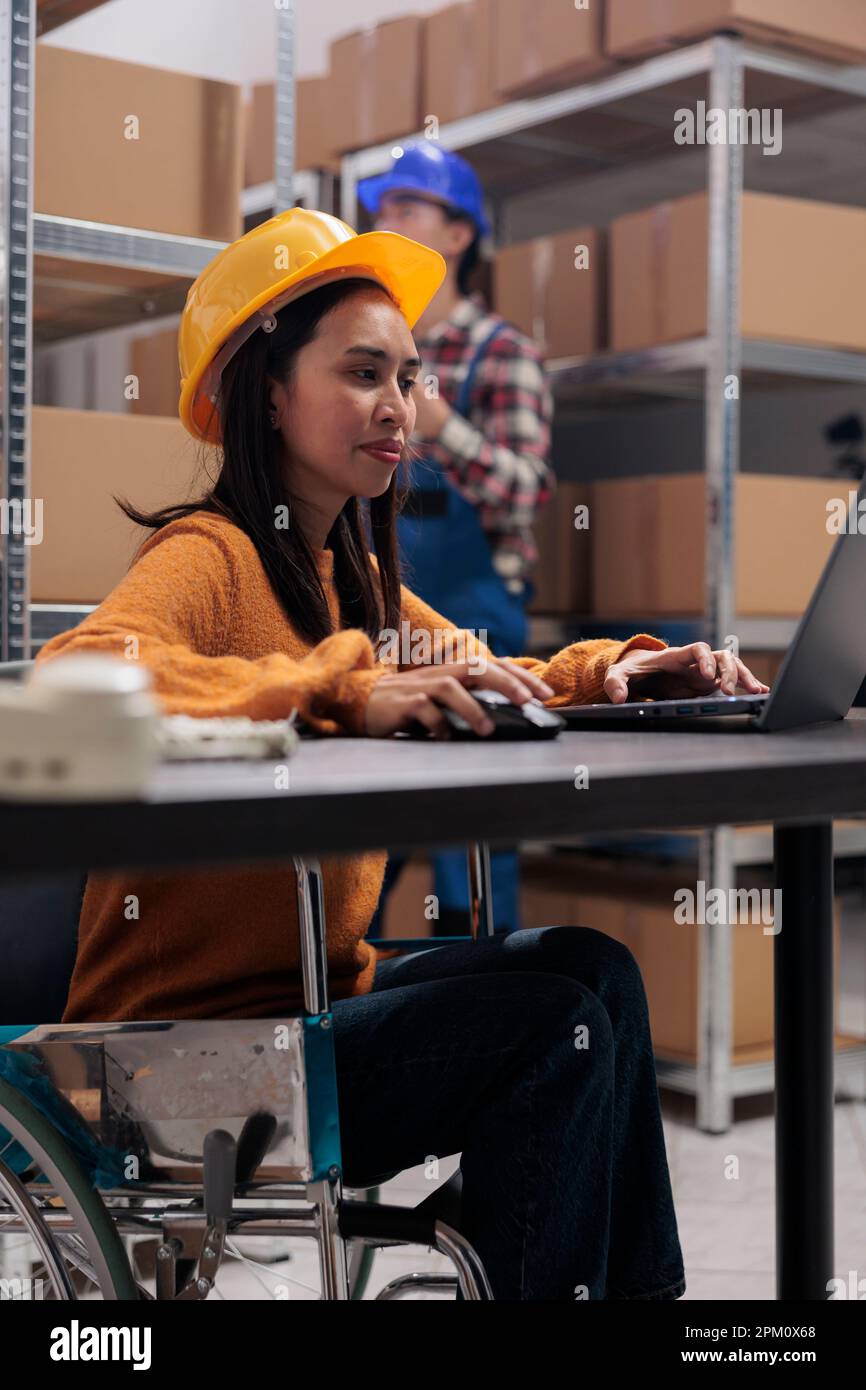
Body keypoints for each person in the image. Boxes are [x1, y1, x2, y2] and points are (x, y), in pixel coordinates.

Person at [34, 207, 769, 1300]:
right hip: (172, 1064)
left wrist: (618, 666)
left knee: (595, 974)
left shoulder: (348, 580)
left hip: (307, 1004)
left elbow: (488, 664)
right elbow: (78, 673)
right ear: (268, 390)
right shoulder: (210, 554)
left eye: (409, 377)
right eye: (365, 372)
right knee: (549, 1026)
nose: (400, 407)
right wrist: (343, 686)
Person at [358, 140, 555, 938]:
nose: (388, 221)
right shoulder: (372, 354)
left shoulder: (503, 353)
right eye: (383, 210)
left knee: (474, 842)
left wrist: (447, 429)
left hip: (477, 615)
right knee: (367, 832)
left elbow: (528, 490)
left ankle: (491, 1008)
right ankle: (353, 1010)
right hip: (384, 614)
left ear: (460, 233)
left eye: (409, 208)